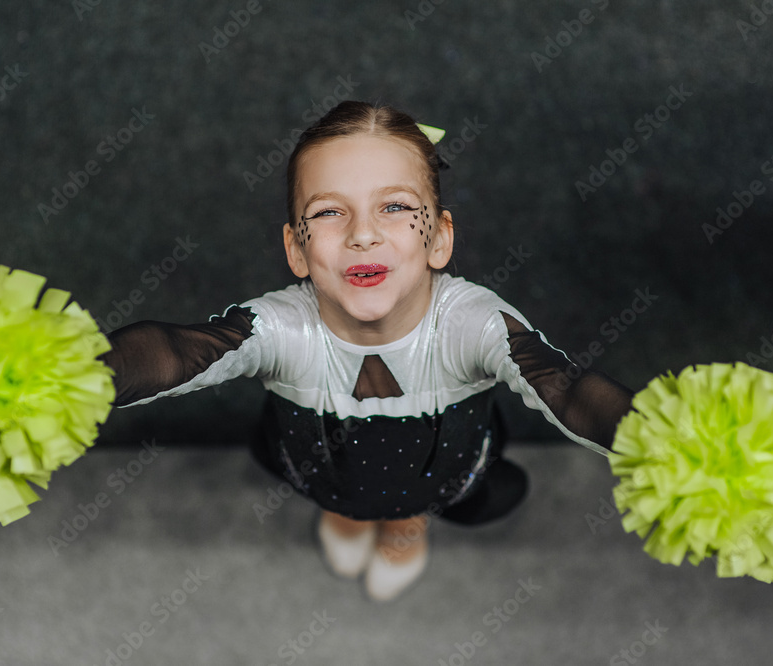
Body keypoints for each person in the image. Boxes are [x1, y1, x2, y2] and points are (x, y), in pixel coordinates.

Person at [100, 100, 635, 602]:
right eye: (330, 212)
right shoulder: (281, 326)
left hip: (442, 473)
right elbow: (176, 350)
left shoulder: (471, 323)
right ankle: (345, 517)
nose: (363, 233)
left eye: (396, 206)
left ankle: (407, 527)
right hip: (321, 470)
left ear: (440, 238)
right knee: (339, 498)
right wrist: (83, 372)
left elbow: (566, 389)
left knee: (462, 498)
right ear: (296, 249)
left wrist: (656, 435)